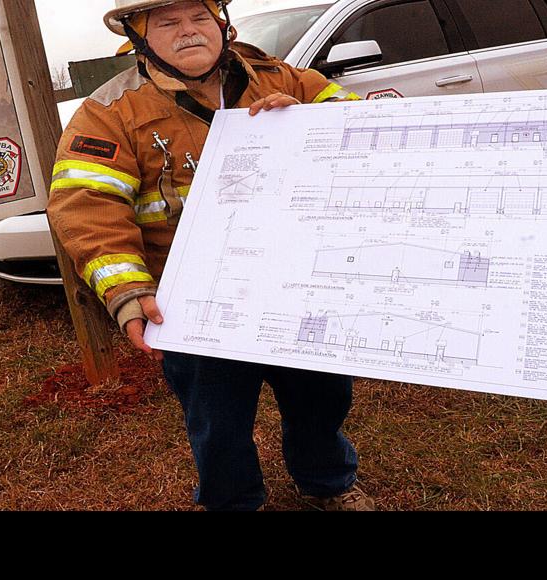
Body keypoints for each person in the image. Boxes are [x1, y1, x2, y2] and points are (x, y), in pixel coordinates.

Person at [48, 0, 375, 510]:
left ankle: (328, 483)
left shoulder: (281, 78)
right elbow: (87, 207)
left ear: (222, 22)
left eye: (199, 18)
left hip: (294, 281)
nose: (189, 32)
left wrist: (311, 123)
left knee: (321, 398)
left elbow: (366, 122)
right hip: (197, 304)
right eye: (168, 23)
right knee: (218, 422)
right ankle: (232, 501)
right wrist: (128, 290)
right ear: (138, 37)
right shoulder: (109, 113)